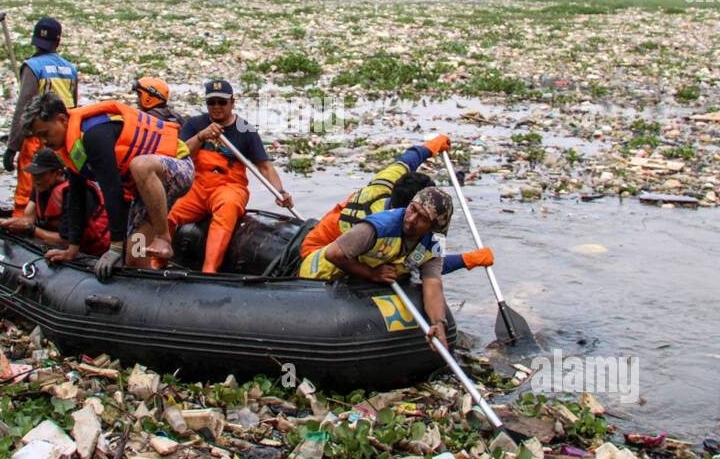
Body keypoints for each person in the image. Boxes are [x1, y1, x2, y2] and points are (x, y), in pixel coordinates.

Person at [22, 91, 194, 280]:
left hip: (177, 169)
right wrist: (72, 248)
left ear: (62, 119)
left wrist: (115, 246)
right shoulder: (70, 149)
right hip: (147, 195)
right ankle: (149, 292)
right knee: (135, 255)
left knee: (140, 165)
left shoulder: (94, 135)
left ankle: (163, 237)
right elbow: (76, 196)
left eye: (45, 134)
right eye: (39, 137)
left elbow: (112, 189)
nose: (44, 142)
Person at [300, 134, 493, 275]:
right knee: (395, 270)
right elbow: (416, 264)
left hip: (342, 243)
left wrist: (432, 146)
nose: (414, 219)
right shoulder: (380, 228)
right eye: (416, 211)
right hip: (320, 252)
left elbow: (408, 160)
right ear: (404, 211)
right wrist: (466, 260)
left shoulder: (388, 183)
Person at [299, 186, 455, 350]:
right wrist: (372, 274)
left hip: (357, 279)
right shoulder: (380, 226)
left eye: (422, 218)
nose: (411, 219)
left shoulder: (432, 246)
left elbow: (433, 285)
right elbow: (333, 254)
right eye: (412, 209)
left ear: (433, 226)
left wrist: (438, 322)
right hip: (321, 275)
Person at [167, 79, 292, 274]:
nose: (216, 107)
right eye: (212, 102)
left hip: (229, 187)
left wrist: (280, 191)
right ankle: (155, 264)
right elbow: (180, 156)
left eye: (222, 102)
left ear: (232, 102)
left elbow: (265, 167)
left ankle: (209, 270)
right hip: (197, 185)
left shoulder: (246, 130)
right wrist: (201, 136)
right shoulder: (195, 124)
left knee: (227, 206)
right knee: (167, 211)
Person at [0, 148, 109, 255]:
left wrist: (31, 230)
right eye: (34, 174)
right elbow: (28, 219)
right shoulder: (40, 187)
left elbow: (68, 241)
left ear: (57, 173)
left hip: (92, 249)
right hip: (57, 240)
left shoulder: (74, 194)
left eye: (40, 174)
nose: (35, 179)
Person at [5, 17, 78, 216]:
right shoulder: (70, 69)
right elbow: (74, 106)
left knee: (29, 185)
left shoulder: (33, 66)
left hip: (36, 138)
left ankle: (21, 220)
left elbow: (24, 109)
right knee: (58, 180)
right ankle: (53, 218)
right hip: (64, 137)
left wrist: (12, 146)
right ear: (58, 41)